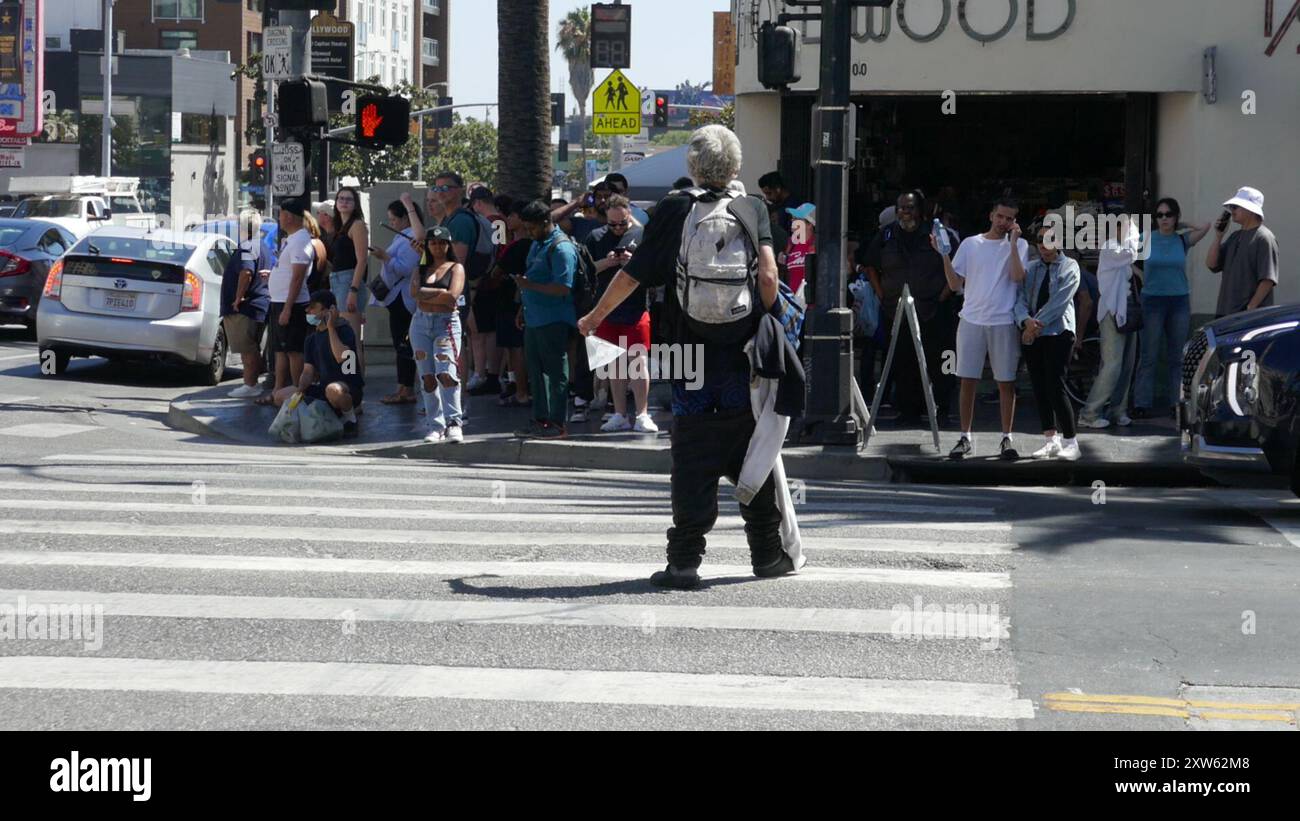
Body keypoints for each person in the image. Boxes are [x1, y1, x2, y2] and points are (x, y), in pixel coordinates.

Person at [579, 125, 794, 588]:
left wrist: (595, 317)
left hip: (682, 348)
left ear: (692, 166)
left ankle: (684, 562)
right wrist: (774, 321)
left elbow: (634, 275)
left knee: (692, 450)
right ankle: (767, 554)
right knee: (749, 447)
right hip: (743, 351)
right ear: (735, 167)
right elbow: (771, 280)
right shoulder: (753, 208)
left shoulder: (675, 208)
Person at [937, 198, 1029, 460]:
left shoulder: (1020, 245)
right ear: (991, 215)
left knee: (1006, 382)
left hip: (1002, 320)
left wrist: (1012, 245)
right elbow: (955, 284)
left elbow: (1017, 277)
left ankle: (1006, 437)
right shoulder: (970, 243)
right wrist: (943, 254)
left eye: (1009, 218)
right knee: (967, 380)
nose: (1004, 222)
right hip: (971, 319)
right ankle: (965, 436)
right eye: (1000, 216)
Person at [863, 191, 959, 425]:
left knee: (942, 361)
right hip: (896, 311)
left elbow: (959, 268)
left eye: (910, 207)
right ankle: (908, 410)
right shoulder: (885, 235)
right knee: (902, 362)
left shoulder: (938, 235)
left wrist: (943, 296)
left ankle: (942, 408)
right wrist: (881, 293)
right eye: (901, 208)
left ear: (920, 210)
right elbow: (870, 265)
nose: (905, 212)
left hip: (934, 310)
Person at [1133, 198, 1211, 419]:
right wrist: (1138, 273)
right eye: (1159, 215)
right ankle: (1142, 402)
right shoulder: (1146, 238)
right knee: (1149, 354)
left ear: (1175, 216)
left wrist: (1181, 224)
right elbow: (1121, 251)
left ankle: (1176, 404)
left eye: (1168, 214)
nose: (1164, 219)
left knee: (1177, 356)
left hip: (1179, 302)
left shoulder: (1182, 240)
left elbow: (1205, 227)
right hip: (1152, 302)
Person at [584, 194, 655, 433]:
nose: (616, 228)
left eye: (622, 223)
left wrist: (631, 263)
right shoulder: (595, 237)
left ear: (629, 216)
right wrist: (609, 261)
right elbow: (587, 270)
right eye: (612, 224)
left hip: (635, 308)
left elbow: (652, 271)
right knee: (613, 365)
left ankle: (642, 413)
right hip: (606, 310)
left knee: (638, 361)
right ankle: (620, 414)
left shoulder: (641, 235)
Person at [1015, 224, 1082, 460]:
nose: (1044, 245)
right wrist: (1024, 321)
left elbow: (1059, 301)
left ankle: (1071, 441)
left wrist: (1035, 325)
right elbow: (1020, 298)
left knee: (1055, 383)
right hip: (1032, 333)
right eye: (1040, 240)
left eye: (1049, 240)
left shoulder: (1069, 266)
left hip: (1058, 331)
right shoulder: (1031, 268)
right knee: (1039, 385)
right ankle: (1050, 438)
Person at [513, 200, 578, 439]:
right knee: (536, 372)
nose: (529, 233)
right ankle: (540, 419)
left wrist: (530, 285)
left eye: (531, 228)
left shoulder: (561, 248)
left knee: (554, 373)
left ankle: (557, 422)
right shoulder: (538, 243)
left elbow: (563, 287)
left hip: (553, 320)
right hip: (534, 318)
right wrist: (522, 307)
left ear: (545, 223)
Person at [1078, 216, 1142, 429]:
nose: (1128, 230)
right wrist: (1135, 235)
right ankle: (1089, 414)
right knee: (1112, 365)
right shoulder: (1110, 248)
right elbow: (1131, 253)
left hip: (1128, 311)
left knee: (1127, 365)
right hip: (1111, 313)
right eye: (1124, 226)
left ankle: (1117, 410)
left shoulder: (1123, 253)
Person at [272, 290, 363, 438]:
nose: (308, 311)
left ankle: (350, 419)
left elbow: (342, 357)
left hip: (347, 387)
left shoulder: (345, 331)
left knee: (333, 390)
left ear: (328, 311)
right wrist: (300, 389)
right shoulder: (312, 339)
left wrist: (331, 327)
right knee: (280, 395)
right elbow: (308, 371)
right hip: (323, 389)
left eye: (313, 307)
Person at [409, 225, 466, 443]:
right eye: (433, 243)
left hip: (446, 324)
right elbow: (414, 293)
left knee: (446, 372)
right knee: (427, 376)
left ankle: (454, 422)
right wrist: (439, 293)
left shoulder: (455, 268)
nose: (438, 247)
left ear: (448, 245)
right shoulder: (420, 269)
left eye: (442, 243)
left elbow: (452, 297)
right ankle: (435, 425)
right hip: (420, 324)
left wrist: (428, 295)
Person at [368, 195, 424, 406]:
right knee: (400, 344)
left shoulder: (411, 238)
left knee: (404, 344)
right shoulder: (401, 237)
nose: (391, 224)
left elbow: (405, 268)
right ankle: (403, 386)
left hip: (404, 298)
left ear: (405, 219)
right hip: (396, 298)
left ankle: (407, 388)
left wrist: (385, 257)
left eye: (393, 220)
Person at [260, 196, 315, 404]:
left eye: (281, 215)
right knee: (280, 350)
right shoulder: (292, 239)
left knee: (293, 350)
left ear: (289, 217)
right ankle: (277, 392)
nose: (279, 219)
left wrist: (288, 308)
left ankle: (297, 392)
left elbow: (298, 276)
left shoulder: (301, 240)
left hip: (290, 304)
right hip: (279, 301)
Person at [1207, 186, 1279, 318]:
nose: (1231, 211)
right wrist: (1218, 236)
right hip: (1225, 314)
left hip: (1248, 319)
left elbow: (1267, 279)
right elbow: (1212, 264)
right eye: (1231, 207)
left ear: (1250, 209)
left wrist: (1250, 308)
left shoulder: (1264, 238)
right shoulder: (1235, 236)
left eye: (1235, 207)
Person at [221, 209, 272, 399]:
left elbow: (247, 272)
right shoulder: (260, 246)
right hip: (258, 304)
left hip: (246, 307)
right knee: (251, 347)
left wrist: (237, 298)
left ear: (241, 227)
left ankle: (250, 385)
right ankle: (251, 383)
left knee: (247, 348)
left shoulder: (248, 247)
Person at [492, 200, 532, 409]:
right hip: (524, 301)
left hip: (512, 301)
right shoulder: (536, 245)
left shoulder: (518, 247)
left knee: (516, 349)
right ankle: (520, 388)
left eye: (510, 215)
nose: (507, 219)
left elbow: (496, 274)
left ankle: (522, 392)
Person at [465, 185, 503, 396]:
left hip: (487, 284)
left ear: (478, 203)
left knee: (482, 331)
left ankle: (484, 373)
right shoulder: (494, 222)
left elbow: (497, 251)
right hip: (486, 282)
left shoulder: (494, 222)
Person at [329, 187, 370, 357]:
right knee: (343, 336)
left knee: (350, 339)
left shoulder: (357, 225)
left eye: (349, 199)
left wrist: (353, 290)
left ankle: (353, 381)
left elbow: (362, 259)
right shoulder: (339, 228)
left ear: (355, 204)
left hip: (349, 280)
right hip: (337, 280)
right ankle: (348, 378)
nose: (344, 202)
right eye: (341, 198)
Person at [758, 171, 799, 236]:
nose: (767, 198)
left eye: (769, 193)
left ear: (778, 189)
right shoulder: (775, 207)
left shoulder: (794, 207)